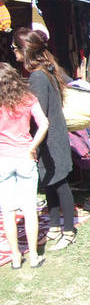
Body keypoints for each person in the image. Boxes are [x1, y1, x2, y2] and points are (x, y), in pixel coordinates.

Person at [12, 27, 77, 251]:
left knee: (59, 183)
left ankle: (68, 231)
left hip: (51, 137)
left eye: (15, 48)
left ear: (25, 49)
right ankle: (55, 227)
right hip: (53, 135)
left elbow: (39, 112)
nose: (13, 52)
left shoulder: (39, 76)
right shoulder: (45, 70)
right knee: (50, 181)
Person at [0, 63, 49, 269]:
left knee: (8, 212)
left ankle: (15, 257)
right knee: (30, 210)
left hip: (3, 160)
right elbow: (44, 123)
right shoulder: (28, 98)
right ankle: (35, 257)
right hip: (25, 157)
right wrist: (32, 146)